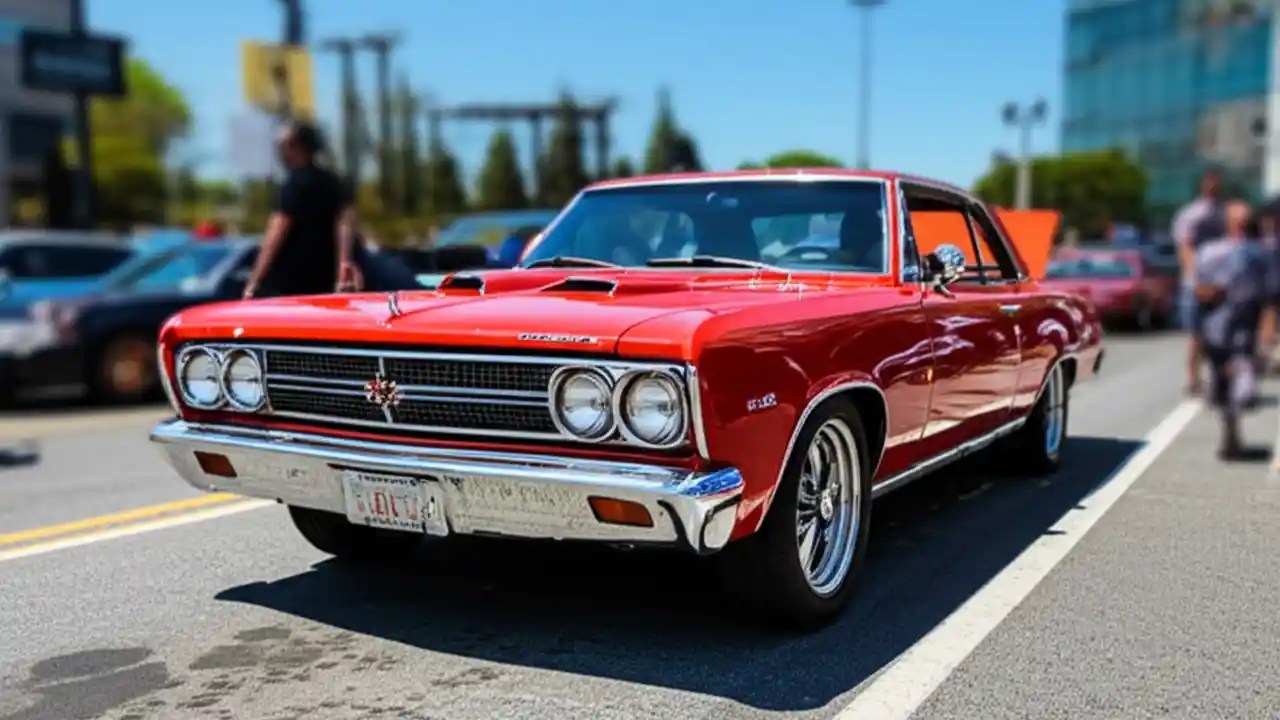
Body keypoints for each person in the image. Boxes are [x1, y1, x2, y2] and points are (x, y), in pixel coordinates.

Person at [1193, 200, 1277, 459]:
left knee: (1243, 388)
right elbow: (1198, 291)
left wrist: (1267, 332)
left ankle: (1235, 426)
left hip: (1245, 328)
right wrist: (1210, 294)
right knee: (1221, 387)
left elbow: (1271, 296)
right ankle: (1231, 435)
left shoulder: (1261, 253)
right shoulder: (1209, 252)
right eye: (1236, 216)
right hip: (1216, 329)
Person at [242, 121, 360, 299]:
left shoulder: (293, 186)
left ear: (296, 147)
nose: (279, 153)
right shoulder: (334, 182)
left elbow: (276, 232)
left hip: (293, 288)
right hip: (327, 285)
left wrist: (254, 282)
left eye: (282, 146)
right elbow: (346, 225)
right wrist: (344, 264)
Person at [1172, 169, 1227, 395]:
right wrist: (1196, 280)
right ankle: (1194, 378)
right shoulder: (1191, 214)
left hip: (1221, 282)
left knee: (1220, 333)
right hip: (1196, 283)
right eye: (1209, 183)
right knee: (1196, 334)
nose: (1213, 187)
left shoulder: (1225, 213)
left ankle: (1218, 377)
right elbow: (1185, 248)